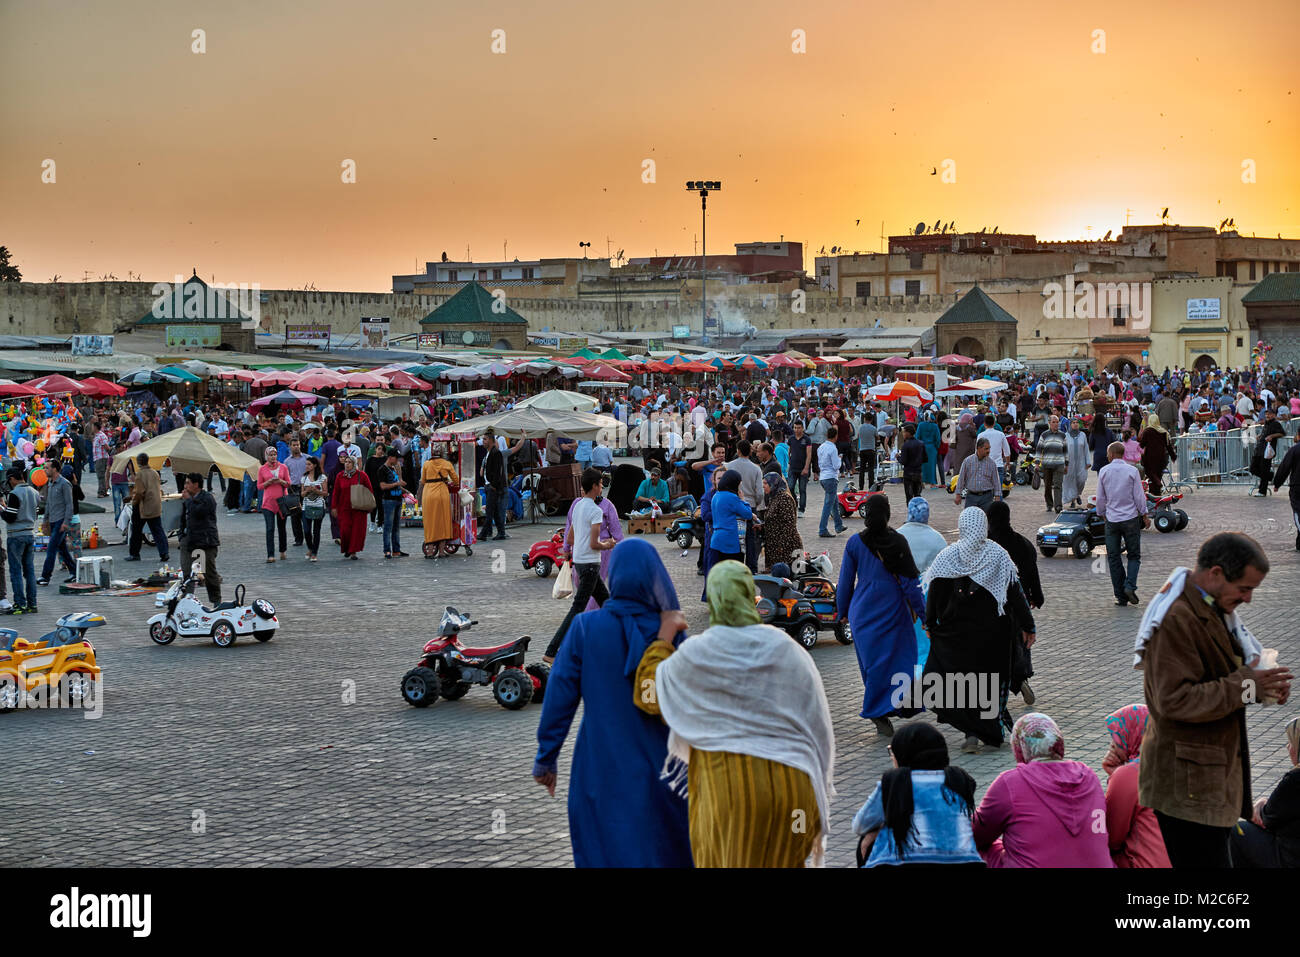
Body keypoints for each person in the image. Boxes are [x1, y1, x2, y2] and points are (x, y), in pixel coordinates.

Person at [648, 560, 836, 867]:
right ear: (753, 596)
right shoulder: (786, 647)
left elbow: (650, 695)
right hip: (794, 797)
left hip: (728, 797)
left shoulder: (695, 654)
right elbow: (817, 726)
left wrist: (662, 640)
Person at [532, 539, 693, 867]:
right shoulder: (670, 631)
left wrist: (546, 759)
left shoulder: (585, 629)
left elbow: (559, 700)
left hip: (600, 773)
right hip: (665, 774)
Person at [1137, 532, 1293, 868]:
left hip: (1208, 783)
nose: (1248, 599)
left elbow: (1221, 682)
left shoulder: (1210, 607)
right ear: (1216, 574)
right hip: (1186, 787)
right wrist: (1247, 684)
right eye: (1244, 588)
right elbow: (1174, 700)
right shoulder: (1177, 618)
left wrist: (1262, 689)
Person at [922, 508, 1036, 753]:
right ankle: (988, 728)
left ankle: (972, 732)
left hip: (957, 636)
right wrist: (1028, 626)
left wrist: (930, 624)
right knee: (989, 683)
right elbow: (1015, 594)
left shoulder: (947, 557)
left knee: (962, 683)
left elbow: (934, 595)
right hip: (993, 636)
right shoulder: (998, 555)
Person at [972, 713, 1114, 868]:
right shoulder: (1089, 776)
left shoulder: (1011, 782)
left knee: (975, 850)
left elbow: (975, 833)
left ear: (1019, 748)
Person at [837, 495, 925, 738]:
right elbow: (910, 583)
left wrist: (842, 611)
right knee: (901, 661)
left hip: (862, 612)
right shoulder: (897, 542)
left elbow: (845, 581)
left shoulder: (855, 543)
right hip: (893, 611)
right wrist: (925, 614)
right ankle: (893, 705)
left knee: (873, 666)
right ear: (887, 513)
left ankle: (880, 710)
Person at [851, 723, 982, 868]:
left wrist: (886, 823)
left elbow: (860, 825)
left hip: (904, 863)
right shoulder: (958, 780)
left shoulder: (894, 783)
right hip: (966, 862)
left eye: (892, 752)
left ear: (903, 754)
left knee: (867, 838)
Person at [544, 468, 616, 664]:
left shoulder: (577, 506)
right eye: (600, 484)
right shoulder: (595, 510)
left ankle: (617, 643)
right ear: (594, 486)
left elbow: (570, 537)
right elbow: (595, 544)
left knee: (609, 605)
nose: (602, 487)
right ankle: (551, 650)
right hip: (591, 564)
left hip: (581, 563)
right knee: (577, 609)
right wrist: (607, 544)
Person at [985, 499, 1042, 705]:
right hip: (1019, 604)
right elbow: (1032, 573)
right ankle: (1020, 677)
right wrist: (1036, 596)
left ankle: (999, 686)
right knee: (1020, 642)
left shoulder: (986, 544)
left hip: (990, 605)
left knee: (993, 647)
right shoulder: (1023, 543)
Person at [1101, 704, 1171, 868]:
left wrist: (1116, 775)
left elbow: (1111, 838)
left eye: (1117, 736)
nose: (1112, 744)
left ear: (1133, 734)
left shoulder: (1130, 773)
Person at [1230, 716, 1300, 867]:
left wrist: (1261, 804)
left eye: (1292, 742)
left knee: (1237, 832)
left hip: (1290, 859)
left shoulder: (1295, 779)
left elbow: (1267, 818)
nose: (1289, 747)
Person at [1096, 441, 1150, 607]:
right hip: (1131, 518)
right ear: (1123, 454)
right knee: (1134, 555)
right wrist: (1145, 515)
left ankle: (1120, 596)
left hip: (1112, 519)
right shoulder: (1132, 471)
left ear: (1111, 454)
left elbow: (1100, 498)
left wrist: (1102, 513)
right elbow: (1139, 496)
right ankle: (1130, 585)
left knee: (1113, 557)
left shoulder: (1104, 471)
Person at [178, 472, 222, 607]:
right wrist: (181, 535)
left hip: (205, 541)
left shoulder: (207, 498)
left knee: (209, 573)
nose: (185, 486)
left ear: (196, 485)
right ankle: (187, 601)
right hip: (189, 540)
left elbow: (198, 512)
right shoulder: (189, 499)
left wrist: (188, 500)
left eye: (188, 483)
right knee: (187, 573)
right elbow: (184, 518)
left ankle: (216, 601)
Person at [3, 467, 40, 614]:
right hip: (30, 534)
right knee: (29, 571)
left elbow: (10, 517)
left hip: (15, 536)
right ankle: (32, 604)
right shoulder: (34, 492)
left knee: (16, 571)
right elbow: (36, 514)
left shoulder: (14, 494)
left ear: (12, 479)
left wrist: (2, 510)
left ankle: (19, 604)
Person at [37, 460, 77, 587]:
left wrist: (66, 522)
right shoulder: (50, 483)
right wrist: (45, 521)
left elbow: (69, 505)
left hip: (61, 521)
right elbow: (48, 504)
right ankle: (74, 572)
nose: (45, 470)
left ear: (55, 469)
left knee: (51, 548)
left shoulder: (64, 484)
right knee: (62, 549)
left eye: (47, 468)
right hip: (53, 520)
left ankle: (45, 576)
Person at [126, 452, 169, 564]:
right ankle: (164, 552)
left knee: (136, 530)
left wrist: (134, 501)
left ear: (139, 462)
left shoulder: (140, 474)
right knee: (158, 530)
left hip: (143, 506)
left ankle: (134, 553)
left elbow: (140, 492)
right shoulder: (154, 473)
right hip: (155, 504)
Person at [330, 452, 374, 559]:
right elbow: (336, 492)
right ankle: (347, 548)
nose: (347, 464)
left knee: (356, 531)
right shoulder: (340, 476)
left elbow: (369, 490)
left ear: (354, 464)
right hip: (344, 508)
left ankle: (353, 551)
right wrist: (334, 507)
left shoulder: (362, 475)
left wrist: (368, 505)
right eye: (346, 462)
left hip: (358, 508)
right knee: (345, 530)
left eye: (350, 462)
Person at [419, 444, 458, 556]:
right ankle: (441, 551)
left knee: (430, 522)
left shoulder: (426, 464)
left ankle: (430, 551)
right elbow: (456, 480)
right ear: (442, 453)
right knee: (443, 522)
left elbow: (423, 480)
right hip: (442, 493)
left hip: (428, 494)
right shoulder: (447, 464)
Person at [760, 471, 801, 572]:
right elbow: (775, 520)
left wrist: (780, 547)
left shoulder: (784, 498)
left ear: (773, 483)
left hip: (787, 548)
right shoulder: (773, 497)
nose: (763, 486)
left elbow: (789, 525)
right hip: (777, 548)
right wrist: (762, 526)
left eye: (765, 483)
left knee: (793, 579)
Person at [257, 445, 292, 563]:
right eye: (270, 455)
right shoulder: (262, 469)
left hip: (282, 502)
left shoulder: (283, 467)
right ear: (266, 456)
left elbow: (288, 483)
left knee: (282, 528)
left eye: (274, 454)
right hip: (268, 503)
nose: (273, 457)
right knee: (270, 528)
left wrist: (280, 481)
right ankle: (270, 555)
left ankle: (283, 550)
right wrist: (268, 482)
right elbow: (259, 486)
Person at [896, 496, 947, 573]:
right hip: (930, 583)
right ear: (927, 514)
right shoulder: (938, 539)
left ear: (909, 512)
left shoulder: (897, 535)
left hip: (902, 583)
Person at [953, 437, 1001, 513]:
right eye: (986, 449)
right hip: (971, 497)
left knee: (987, 520)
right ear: (979, 448)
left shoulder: (992, 463)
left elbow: (996, 481)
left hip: (987, 498)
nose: (988, 451)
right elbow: (961, 478)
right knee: (970, 520)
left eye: (989, 448)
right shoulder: (968, 461)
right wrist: (958, 494)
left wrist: (997, 497)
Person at [377, 447, 409, 559]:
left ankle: (396, 550)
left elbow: (398, 482)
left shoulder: (395, 468)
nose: (398, 461)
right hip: (389, 500)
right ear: (390, 458)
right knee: (388, 526)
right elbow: (383, 486)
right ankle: (387, 550)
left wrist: (405, 491)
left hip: (397, 499)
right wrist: (397, 484)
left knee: (396, 527)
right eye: (396, 458)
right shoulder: (383, 469)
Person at [1251, 406, 1286, 497]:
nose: (1267, 415)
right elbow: (1265, 432)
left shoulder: (1276, 423)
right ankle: (1270, 476)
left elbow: (1282, 433)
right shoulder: (1267, 423)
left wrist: (1272, 436)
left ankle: (1262, 491)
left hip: (1267, 450)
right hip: (1260, 449)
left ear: (1274, 415)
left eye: (1269, 414)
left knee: (1264, 469)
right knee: (1253, 468)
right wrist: (1260, 435)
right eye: (1266, 414)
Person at [816, 426, 845, 538]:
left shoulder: (821, 447)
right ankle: (822, 529)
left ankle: (839, 525)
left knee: (834, 502)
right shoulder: (833, 448)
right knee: (828, 504)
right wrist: (840, 458)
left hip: (823, 476)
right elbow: (836, 465)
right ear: (835, 436)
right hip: (831, 477)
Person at [1036, 414, 1069, 512]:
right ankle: (1049, 504)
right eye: (1053, 422)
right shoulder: (1044, 435)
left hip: (1059, 464)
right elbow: (1038, 449)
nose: (1055, 424)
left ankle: (1058, 506)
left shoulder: (1062, 435)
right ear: (1049, 423)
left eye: (1057, 422)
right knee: (1047, 486)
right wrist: (1037, 463)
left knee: (1058, 485)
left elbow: (1066, 451)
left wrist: (1066, 464)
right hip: (1047, 464)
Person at [1272, 436, 1300, 550]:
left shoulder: (1294, 450)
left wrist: (1277, 483)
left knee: (1298, 511)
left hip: (1297, 485)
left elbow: (1284, 467)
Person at [481, 430, 509, 541]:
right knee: (495, 511)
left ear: (491, 441)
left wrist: (493, 485)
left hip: (493, 486)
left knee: (490, 511)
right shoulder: (489, 452)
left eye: (485, 439)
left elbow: (498, 471)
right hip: (489, 485)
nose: (483, 441)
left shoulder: (496, 452)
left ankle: (484, 533)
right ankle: (501, 532)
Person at [300, 455, 328, 561]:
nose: (307, 466)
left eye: (309, 464)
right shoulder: (304, 478)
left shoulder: (322, 477)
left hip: (319, 506)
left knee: (316, 530)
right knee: (306, 530)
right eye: (306, 464)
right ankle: (310, 548)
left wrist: (317, 491)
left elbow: (325, 493)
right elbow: (302, 494)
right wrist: (307, 491)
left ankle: (314, 552)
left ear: (314, 465)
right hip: (306, 506)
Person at [1138, 412, 1173, 496]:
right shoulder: (1164, 432)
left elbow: (1142, 447)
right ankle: (1156, 491)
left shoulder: (1148, 432)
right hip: (1163, 460)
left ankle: (1154, 491)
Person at [1061, 416, 1090, 508]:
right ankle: (1073, 500)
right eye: (1073, 423)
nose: (1075, 424)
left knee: (1081, 480)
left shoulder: (1082, 435)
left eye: (1077, 422)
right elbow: (1063, 450)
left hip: (1081, 462)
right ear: (1070, 424)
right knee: (1071, 481)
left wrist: (1088, 461)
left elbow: (1086, 448)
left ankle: (1077, 494)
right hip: (1069, 463)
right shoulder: (1065, 436)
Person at [786, 421, 813, 513]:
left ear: (802, 428)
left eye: (799, 428)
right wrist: (788, 463)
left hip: (803, 469)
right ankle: (794, 503)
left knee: (802, 490)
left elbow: (809, 454)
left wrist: (806, 468)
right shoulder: (791, 439)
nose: (797, 430)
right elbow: (789, 451)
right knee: (790, 487)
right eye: (795, 428)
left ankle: (802, 509)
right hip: (792, 468)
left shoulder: (807, 439)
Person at [896, 424, 925, 502]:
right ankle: (918, 511)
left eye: (904, 432)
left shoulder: (906, 445)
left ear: (908, 433)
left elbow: (903, 461)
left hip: (908, 473)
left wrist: (898, 457)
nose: (903, 434)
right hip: (918, 472)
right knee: (917, 494)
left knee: (909, 496)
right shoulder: (921, 444)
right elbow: (925, 458)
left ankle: (911, 511)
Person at [916, 413, 942, 488]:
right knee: (932, 466)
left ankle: (921, 483)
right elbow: (938, 439)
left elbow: (917, 436)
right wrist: (936, 447)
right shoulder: (935, 426)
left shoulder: (920, 425)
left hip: (922, 447)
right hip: (932, 448)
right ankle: (932, 483)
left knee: (922, 466)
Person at [856, 412, 878, 489]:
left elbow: (858, 436)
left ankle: (861, 486)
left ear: (864, 419)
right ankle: (871, 486)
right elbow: (877, 437)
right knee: (870, 469)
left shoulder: (860, 427)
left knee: (862, 469)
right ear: (871, 419)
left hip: (862, 450)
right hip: (871, 450)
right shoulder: (874, 428)